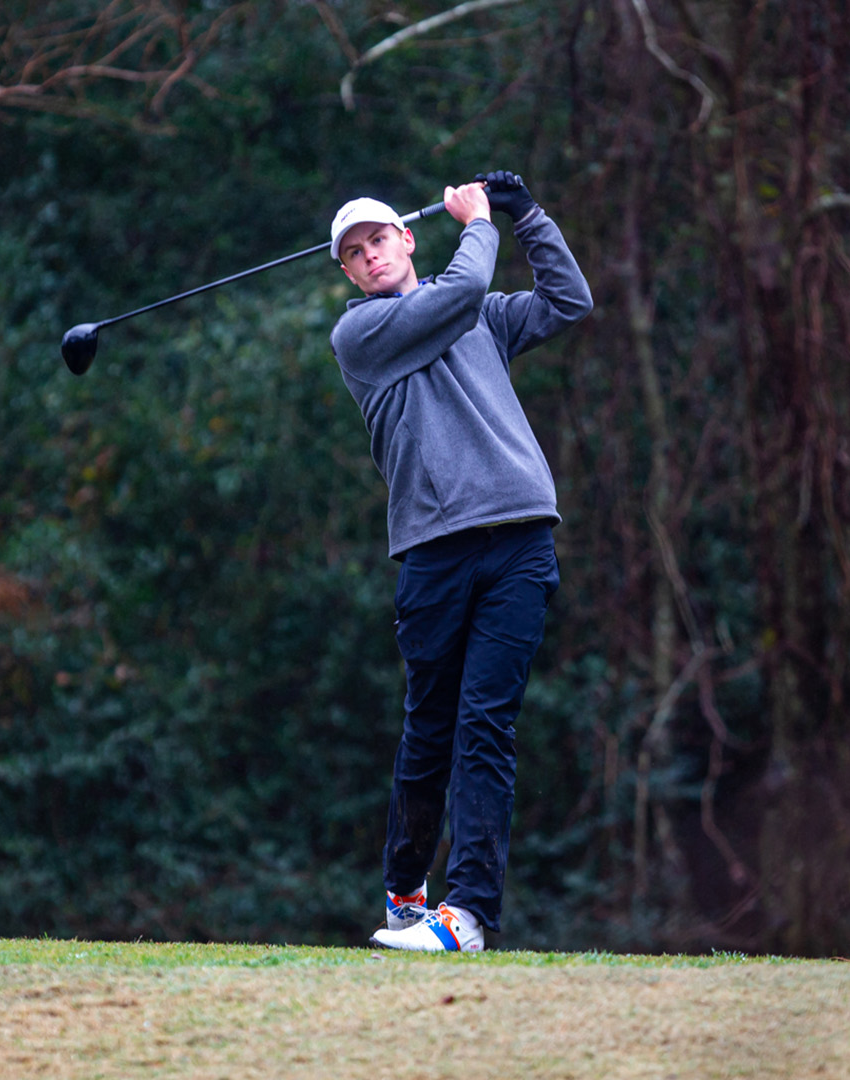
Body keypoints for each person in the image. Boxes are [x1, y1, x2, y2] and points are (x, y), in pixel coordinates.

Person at [327, 172, 593, 951]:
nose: (370, 255)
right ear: (346, 273)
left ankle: (469, 913)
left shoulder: (479, 314)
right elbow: (466, 282)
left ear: (406, 240)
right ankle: (406, 889)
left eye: (378, 239)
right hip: (433, 556)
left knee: (484, 727)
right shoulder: (362, 335)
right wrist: (481, 219)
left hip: (519, 541)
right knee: (430, 730)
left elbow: (568, 299)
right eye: (354, 252)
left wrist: (529, 215)